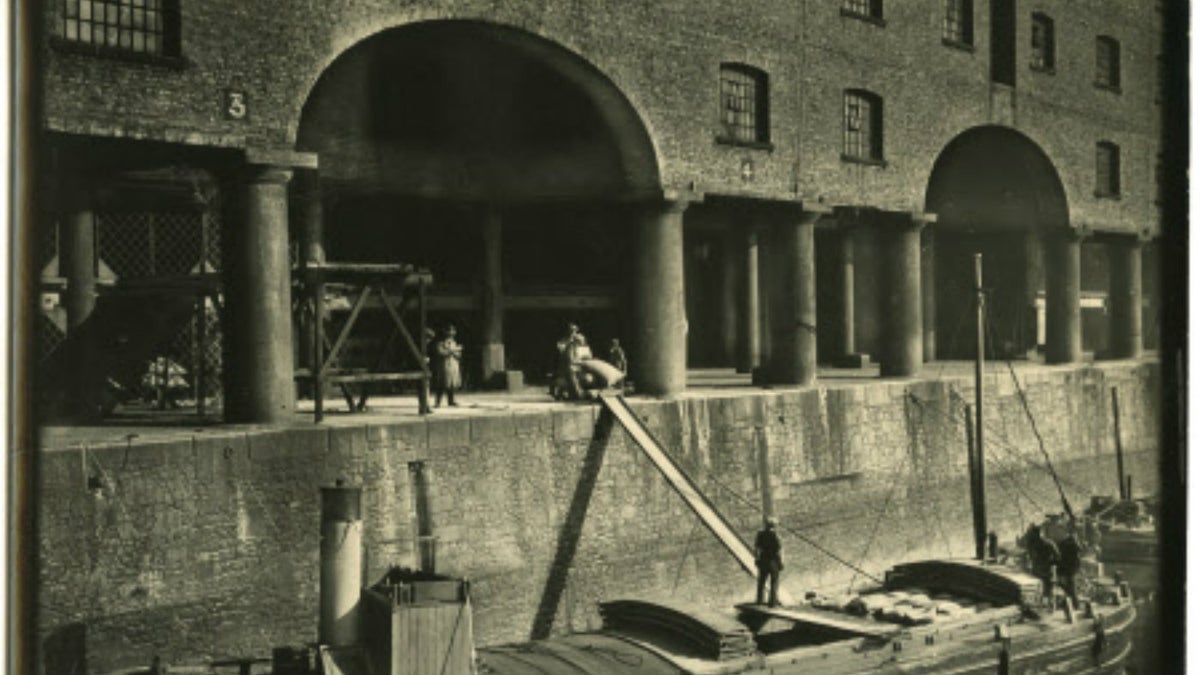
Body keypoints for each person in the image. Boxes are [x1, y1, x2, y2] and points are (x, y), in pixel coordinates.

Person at [754, 516, 783, 607]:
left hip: (763, 559)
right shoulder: (776, 535)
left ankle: (759, 601)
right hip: (773, 560)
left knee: (761, 582)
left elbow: (757, 548)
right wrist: (781, 562)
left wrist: (757, 559)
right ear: (774, 526)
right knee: (774, 582)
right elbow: (778, 550)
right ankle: (772, 602)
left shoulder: (760, 534)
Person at [432, 325, 463, 407]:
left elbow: (459, 355)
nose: (451, 333)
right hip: (444, 364)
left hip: (454, 364)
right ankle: (437, 402)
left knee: (452, 383)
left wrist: (455, 352)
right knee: (442, 383)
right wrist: (453, 350)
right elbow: (441, 353)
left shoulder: (454, 342)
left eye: (453, 331)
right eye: (449, 331)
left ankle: (451, 400)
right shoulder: (441, 343)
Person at [1057, 530, 1082, 606]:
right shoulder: (1075, 543)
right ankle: (1074, 602)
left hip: (1065, 566)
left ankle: (1069, 600)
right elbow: (1079, 552)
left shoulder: (1063, 543)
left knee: (1064, 583)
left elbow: (1059, 553)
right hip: (1071, 567)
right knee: (1071, 584)